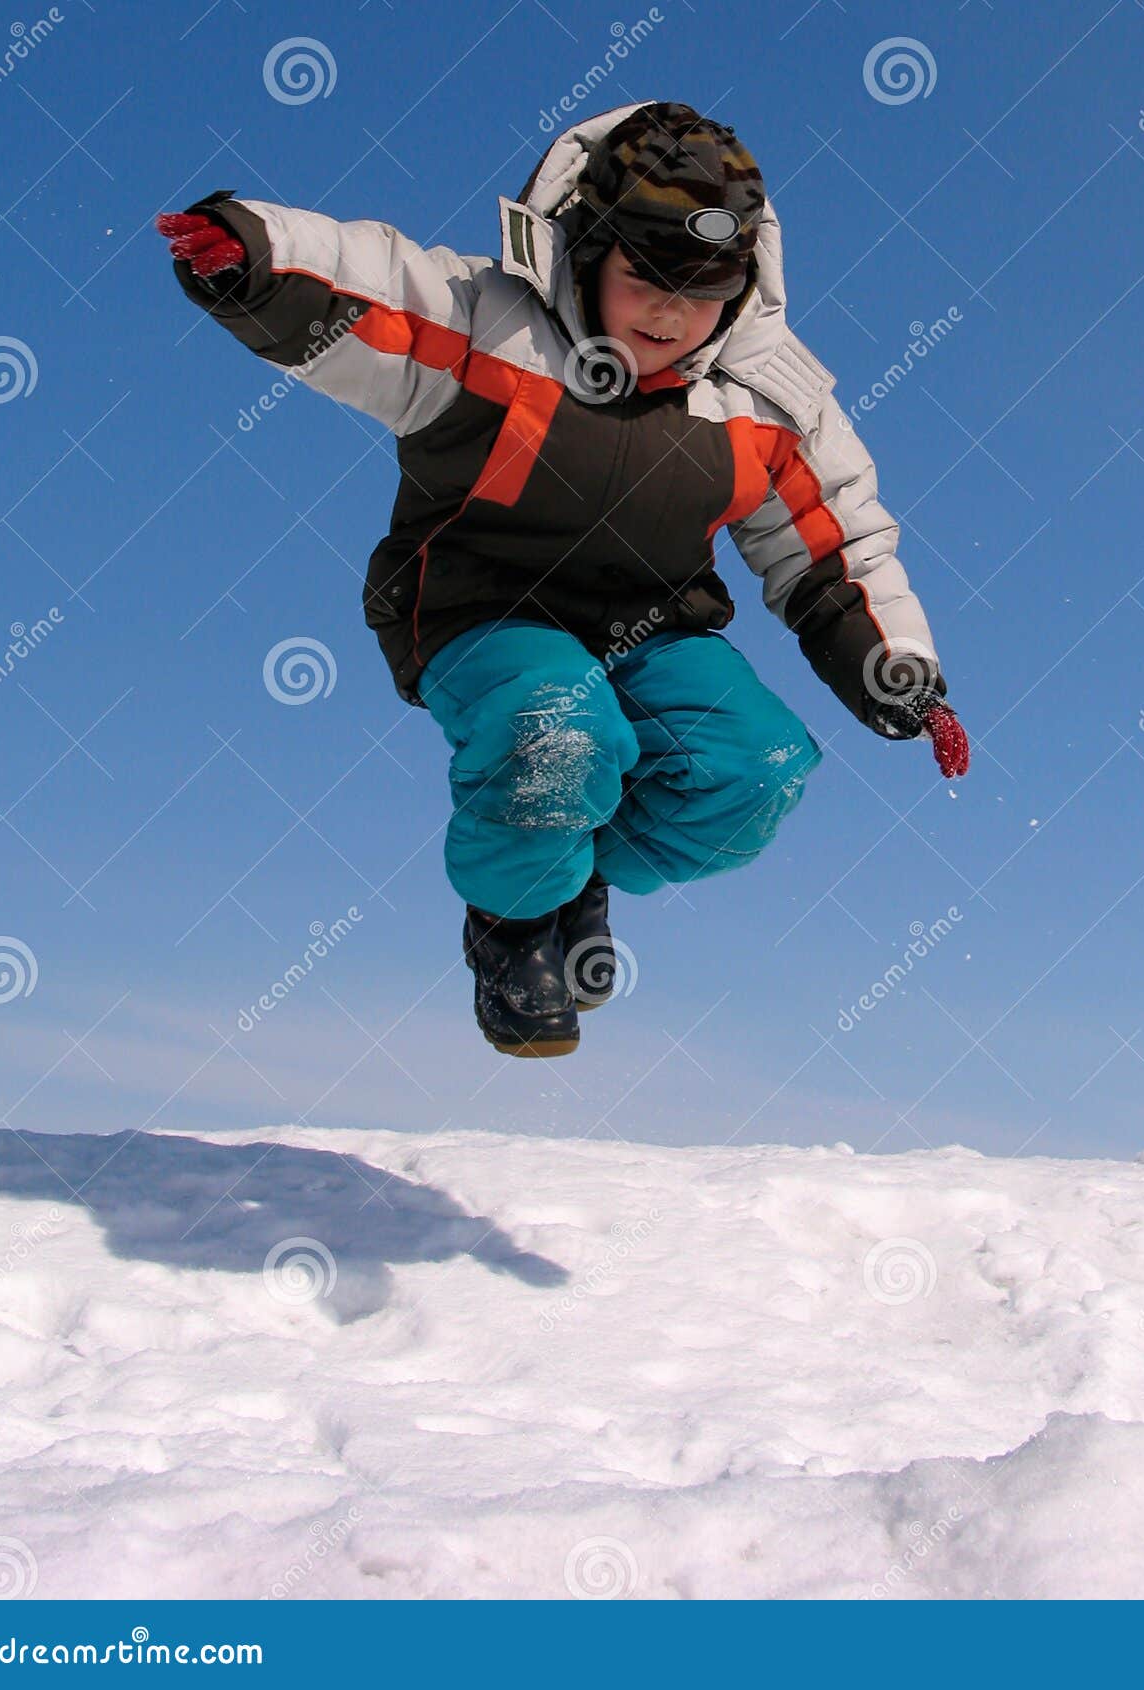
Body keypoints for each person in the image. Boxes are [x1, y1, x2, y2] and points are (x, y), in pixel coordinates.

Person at [156, 100, 968, 1060]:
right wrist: (251, 253)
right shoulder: (492, 332)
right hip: (485, 611)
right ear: (584, 251)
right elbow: (373, 287)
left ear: (744, 288)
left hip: (654, 631)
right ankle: (511, 928)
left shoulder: (766, 400)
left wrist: (896, 667)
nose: (670, 316)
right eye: (646, 281)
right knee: (561, 728)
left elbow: (836, 546)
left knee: (755, 770)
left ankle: (567, 866)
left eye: (704, 293)